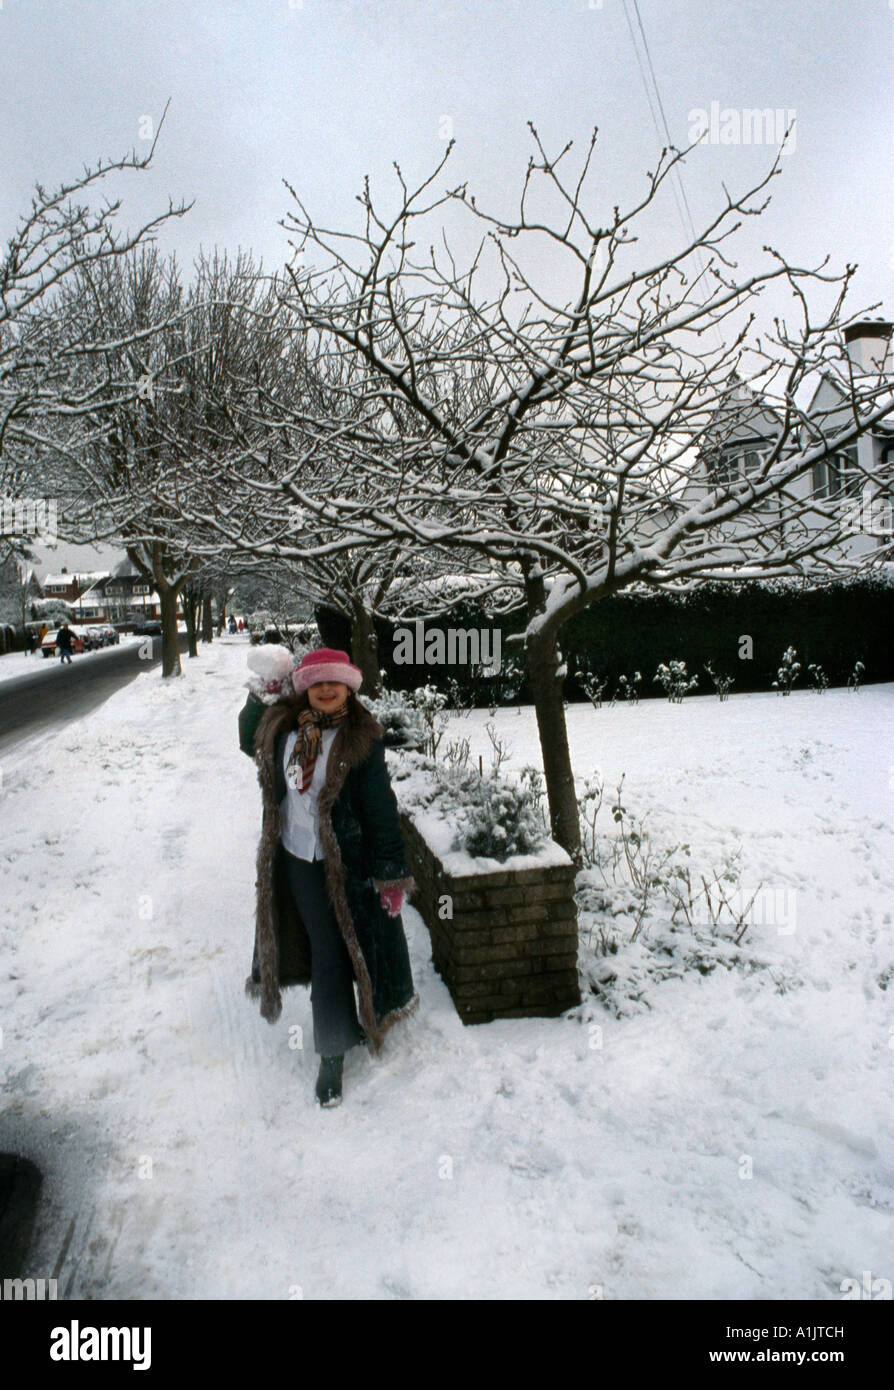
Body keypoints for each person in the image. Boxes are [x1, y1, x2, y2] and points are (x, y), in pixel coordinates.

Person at [238, 647, 418, 1108]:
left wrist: (390, 875)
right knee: (327, 954)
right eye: (316, 682)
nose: (325, 689)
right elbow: (246, 739)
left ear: (349, 686)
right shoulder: (284, 727)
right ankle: (332, 1052)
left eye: (333, 681)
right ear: (305, 687)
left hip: (351, 865)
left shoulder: (363, 738)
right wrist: (261, 693)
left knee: (357, 949)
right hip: (298, 858)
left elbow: (380, 810)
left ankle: (356, 1021)